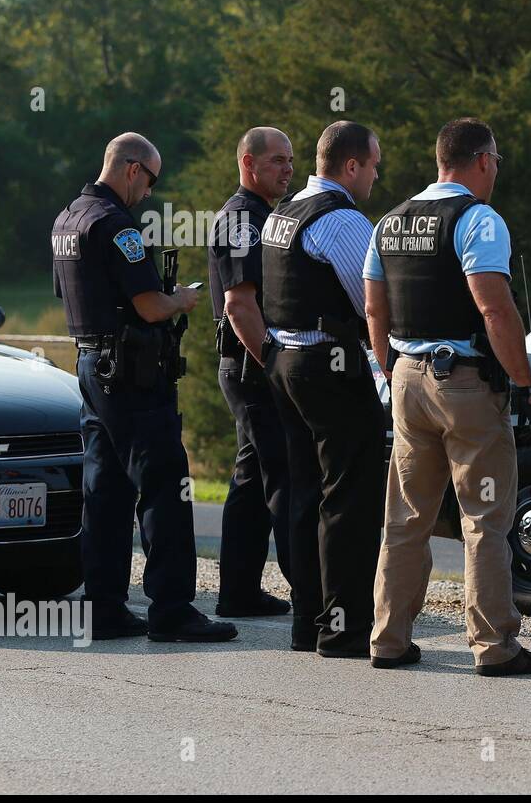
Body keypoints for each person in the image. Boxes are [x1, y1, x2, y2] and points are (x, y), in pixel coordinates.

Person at [365, 117, 531, 676]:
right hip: (466, 385)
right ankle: (495, 646)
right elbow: (494, 308)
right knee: (485, 517)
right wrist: (523, 382)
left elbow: (374, 310)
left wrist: (388, 370)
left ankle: (389, 639)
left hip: (406, 380)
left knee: (405, 518)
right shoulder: (479, 220)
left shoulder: (391, 222)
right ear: (482, 160)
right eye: (495, 160)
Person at [51, 132, 236, 642]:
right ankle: (173, 610)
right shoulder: (115, 224)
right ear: (132, 169)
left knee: (104, 490)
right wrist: (179, 299)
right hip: (131, 373)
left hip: (91, 366)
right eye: (150, 180)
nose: (150, 192)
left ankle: (104, 607)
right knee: (165, 486)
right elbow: (149, 306)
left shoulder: (68, 219)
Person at [260, 121, 385, 658]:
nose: (377, 176)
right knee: (350, 500)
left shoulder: (283, 214)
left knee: (304, 494)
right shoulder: (341, 220)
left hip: (284, 362)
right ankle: (343, 630)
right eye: (374, 165)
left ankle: (306, 623)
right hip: (329, 367)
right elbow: (373, 304)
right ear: (351, 166)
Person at [207, 126, 295, 618]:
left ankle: (237, 592)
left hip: (250, 364)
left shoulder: (262, 215)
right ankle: (309, 590)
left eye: (290, 160)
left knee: (251, 476)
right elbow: (240, 306)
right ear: (248, 163)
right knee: (283, 474)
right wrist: (275, 364)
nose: (287, 169)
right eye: (277, 160)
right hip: (253, 365)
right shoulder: (242, 219)